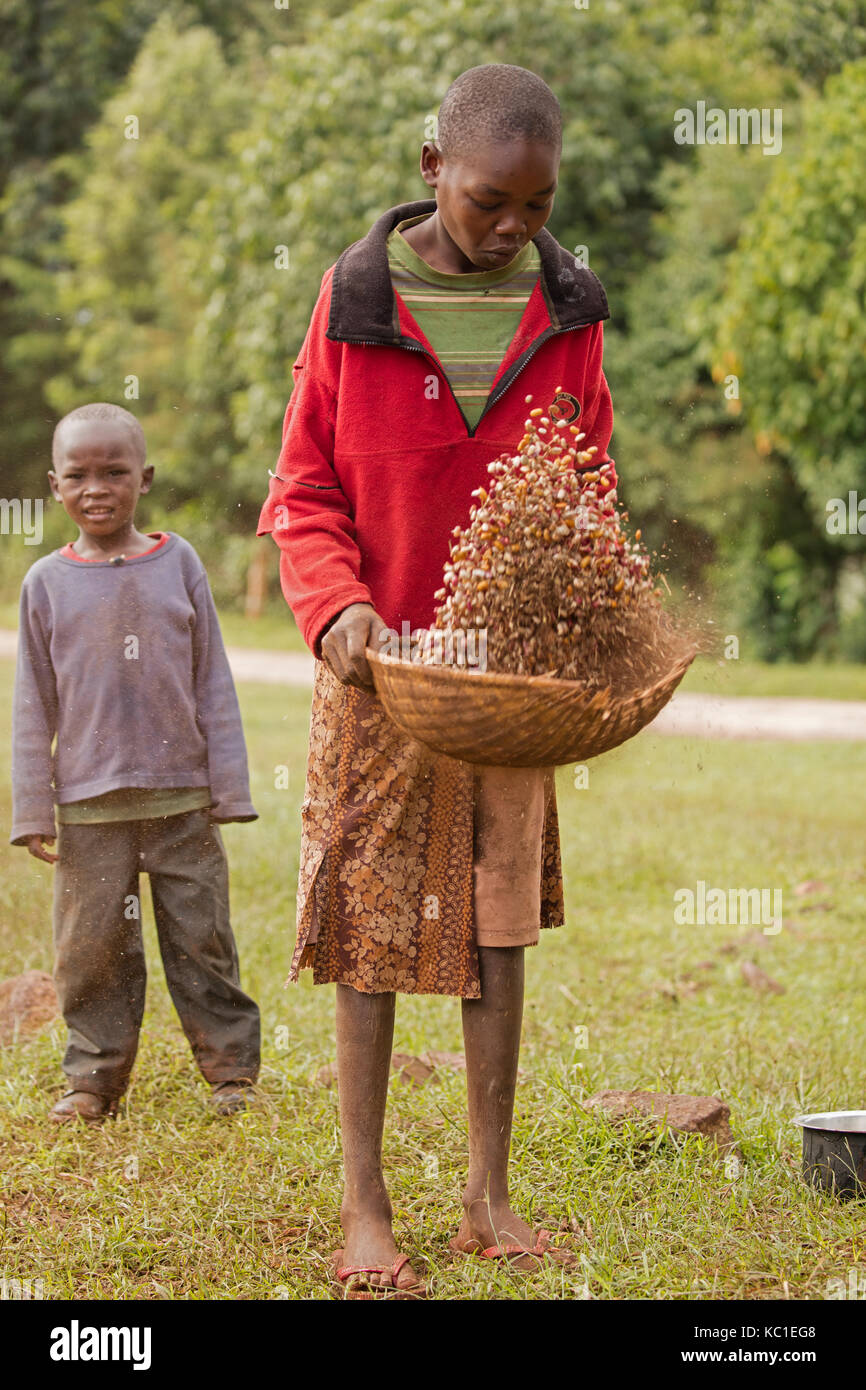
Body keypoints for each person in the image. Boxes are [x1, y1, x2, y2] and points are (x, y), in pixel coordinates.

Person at [257, 64, 617, 1298]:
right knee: (371, 931)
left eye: (535, 204)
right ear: (430, 172)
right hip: (379, 671)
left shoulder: (568, 312)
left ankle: (486, 1194)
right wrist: (337, 609)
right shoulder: (354, 301)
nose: (515, 227)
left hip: (506, 678)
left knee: (495, 925)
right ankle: (365, 1205)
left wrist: (585, 610)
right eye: (487, 203)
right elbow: (303, 486)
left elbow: (585, 483)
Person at [10, 402, 261, 1122]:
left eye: (114, 472)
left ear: (143, 478)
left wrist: (229, 785)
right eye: (79, 475)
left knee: (202, 938)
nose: (97, 488)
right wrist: (33, 808)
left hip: (182, 801)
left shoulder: (178, 563)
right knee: (90, 953)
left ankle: (231, 1072)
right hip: (89, 809)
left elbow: (212, 678)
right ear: (55, 485)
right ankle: (92, 1077)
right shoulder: (45, 585)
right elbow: (33, 706)